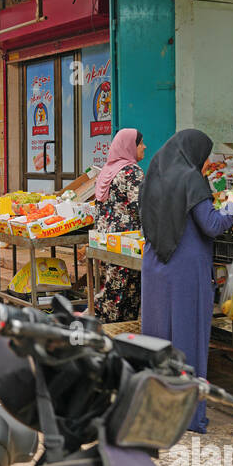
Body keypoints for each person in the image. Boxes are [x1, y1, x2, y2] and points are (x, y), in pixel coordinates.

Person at [139, 129, 233, 433]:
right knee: (188, 339)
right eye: (205, 155)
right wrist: (232, 204)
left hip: (155, 264)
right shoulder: (191, 179)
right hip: (185, 269)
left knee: (158, 340)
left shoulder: (153, 174)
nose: (205, 161)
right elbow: (212, 225)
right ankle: (187, 416)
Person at [92, 128, 146, 322]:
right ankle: (116, 332)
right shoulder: (131, 171)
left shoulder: (108, 169)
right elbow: (142, 204)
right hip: (126, 241)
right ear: (130, 146)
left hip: (105, 240)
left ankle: (105, 324)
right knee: (125, 291)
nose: (144, 147)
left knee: (112, 285)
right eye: (140, 143)